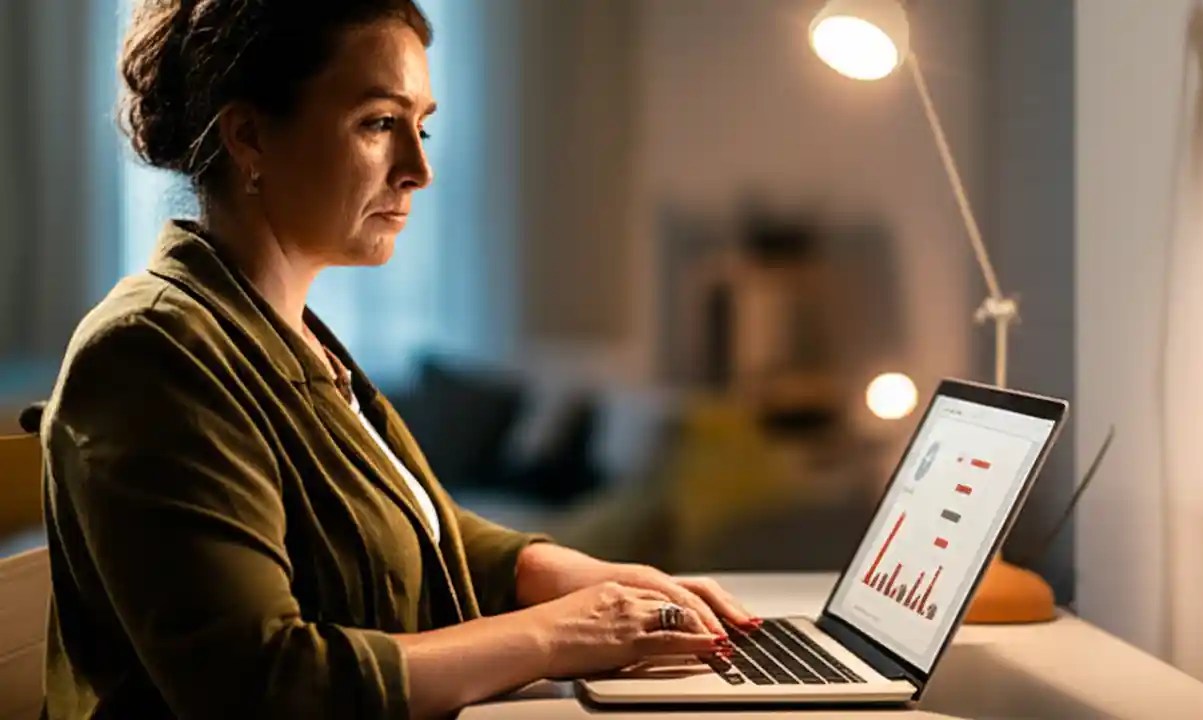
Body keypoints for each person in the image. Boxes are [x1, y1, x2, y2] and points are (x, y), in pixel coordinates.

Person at [39, 2, 759, 717]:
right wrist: (565, 632)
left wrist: (572, 573)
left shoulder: (288, 337)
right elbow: (263, 684)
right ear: (250, 136)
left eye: (424, 125)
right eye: (380, 123)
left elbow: (407, 529)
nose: (419, 169)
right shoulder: (152, 354)